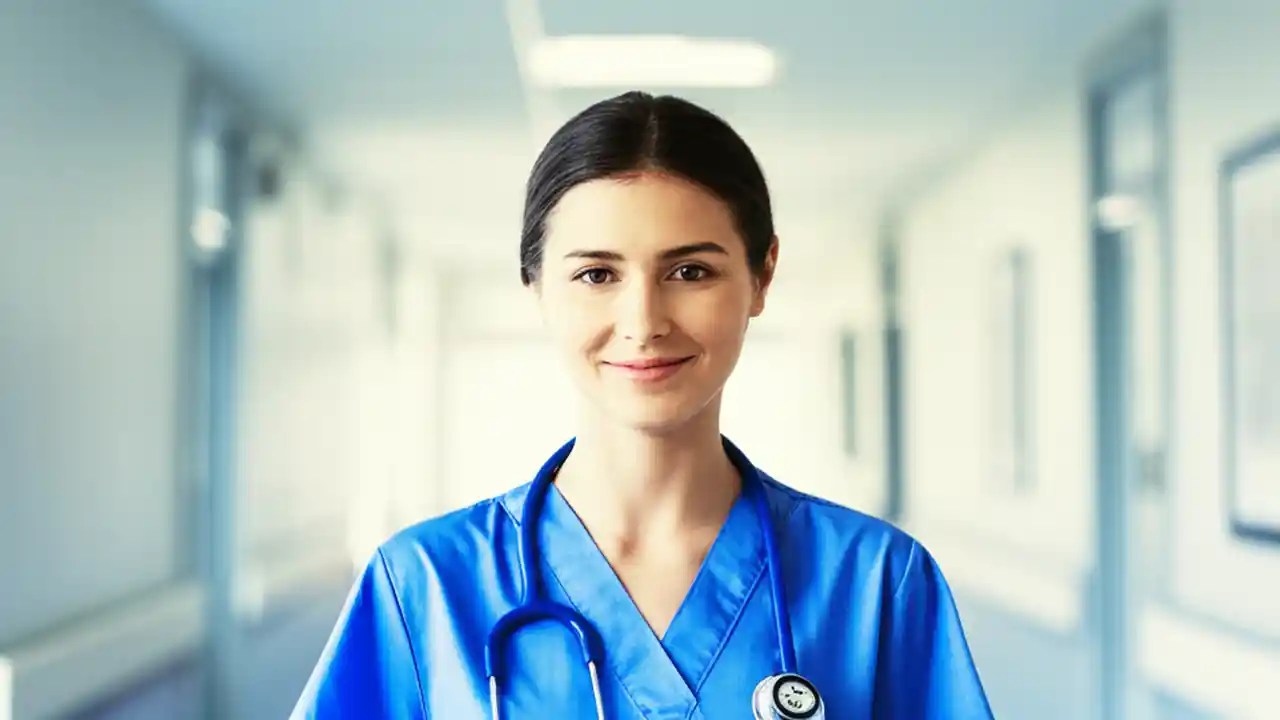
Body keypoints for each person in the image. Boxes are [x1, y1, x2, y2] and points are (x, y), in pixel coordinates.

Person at [291, 91, 993, 719]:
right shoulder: (425, 588)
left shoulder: (876, 585)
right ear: (536, 287)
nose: (643, 320)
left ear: (761, 275)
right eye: (597, 274)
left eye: (690, 271)